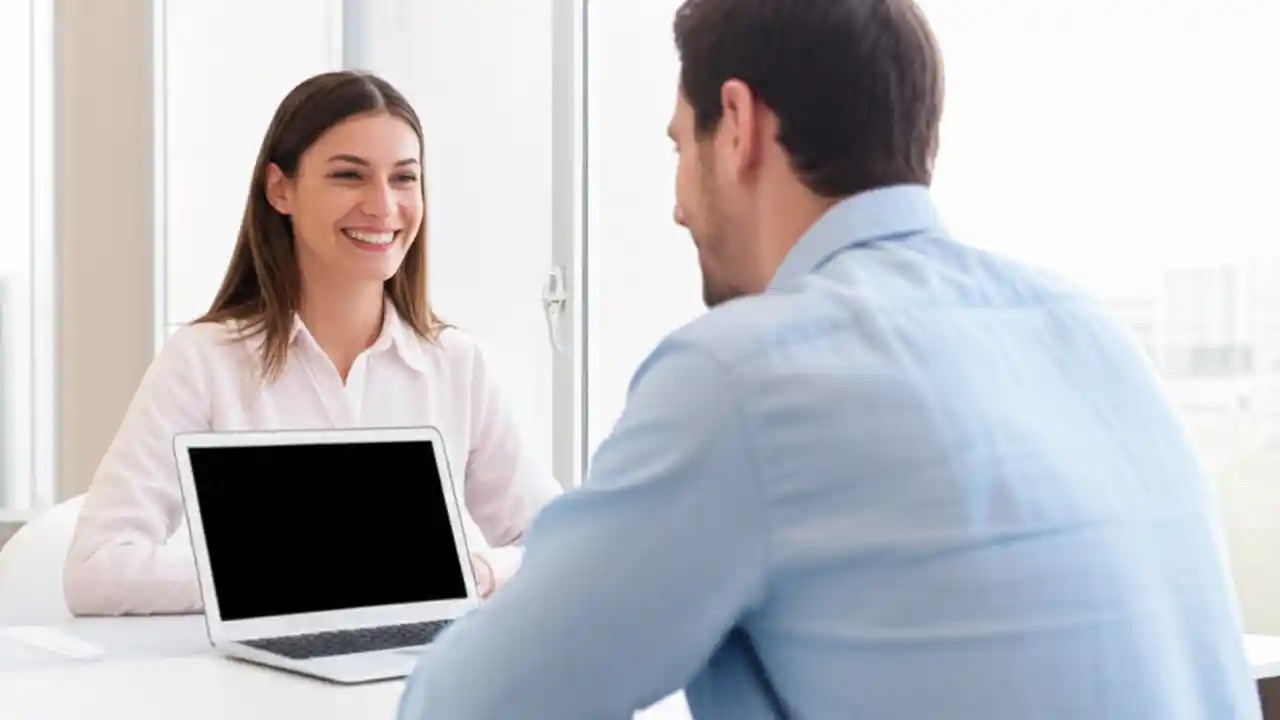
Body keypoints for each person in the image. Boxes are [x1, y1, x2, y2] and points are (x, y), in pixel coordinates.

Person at [396, 1, 1260, 717]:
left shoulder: (743, 377)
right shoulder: (1089, 331)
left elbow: (473, 707)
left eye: (676, 148)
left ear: (736, 125)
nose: (675, 206)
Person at [64, 71, 561, 616]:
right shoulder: (205, 361)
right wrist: (301, 576)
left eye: (403, 178)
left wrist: (481, 569)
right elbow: (97, 569)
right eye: (350, 176)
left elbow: (560, 541)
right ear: (281, 189)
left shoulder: (457, 365)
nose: (383, 205)